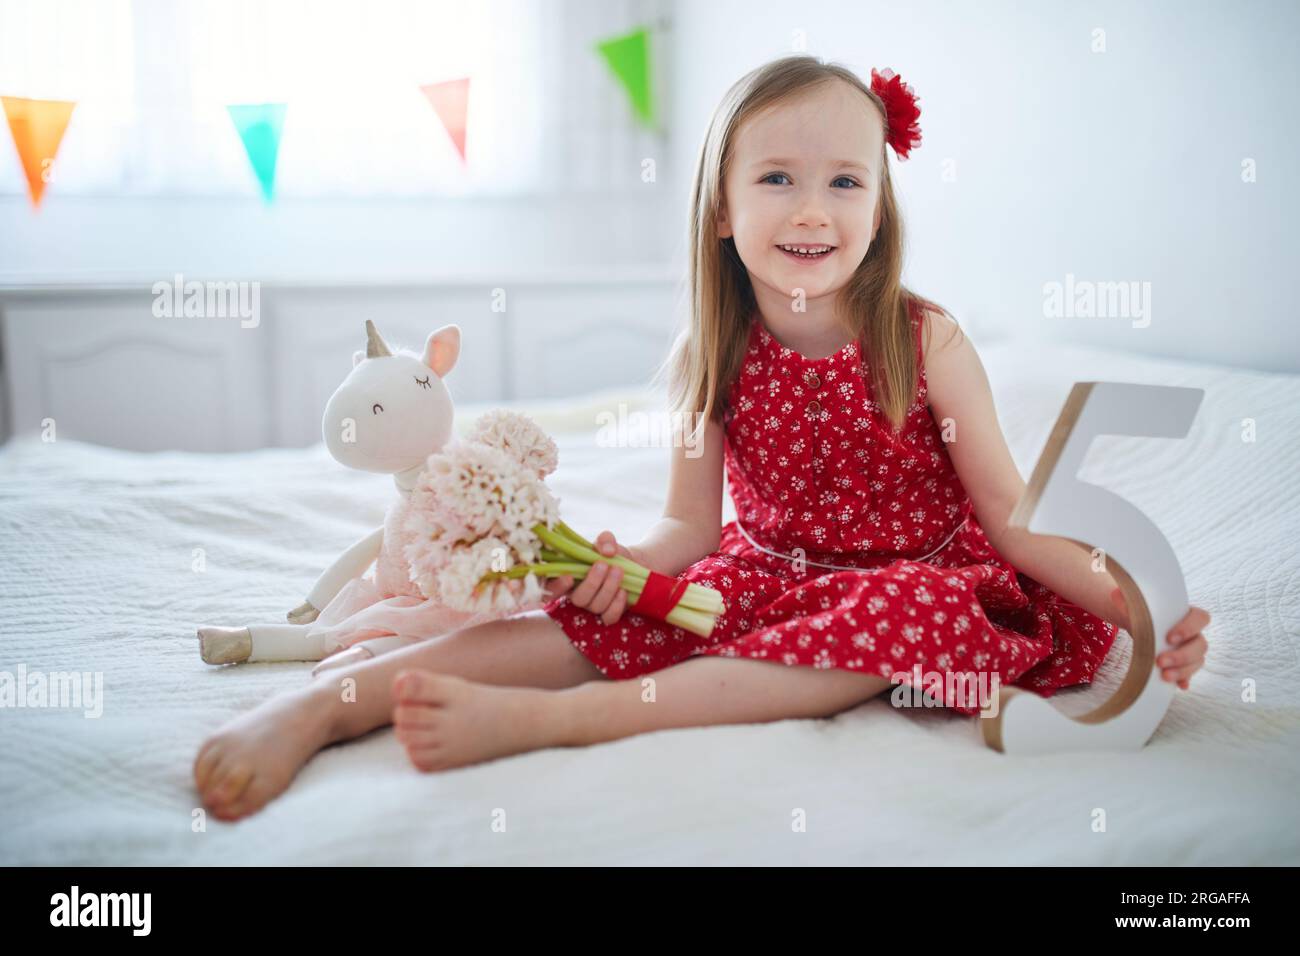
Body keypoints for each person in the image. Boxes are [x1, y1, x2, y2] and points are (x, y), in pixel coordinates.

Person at [194, 55, 1209, 821]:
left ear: (878, 206)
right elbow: (688, 524)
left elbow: (1015, 519)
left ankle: (574, 719)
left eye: (844, 182)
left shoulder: (924, 338)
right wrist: (608, 569)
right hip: (759, 572)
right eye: (777, 178)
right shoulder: (711, 350)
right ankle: (328, 702)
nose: (812, 209)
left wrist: (1139, 609)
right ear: (722, 206)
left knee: (899, 612)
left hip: (919, 582)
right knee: (601, 621)